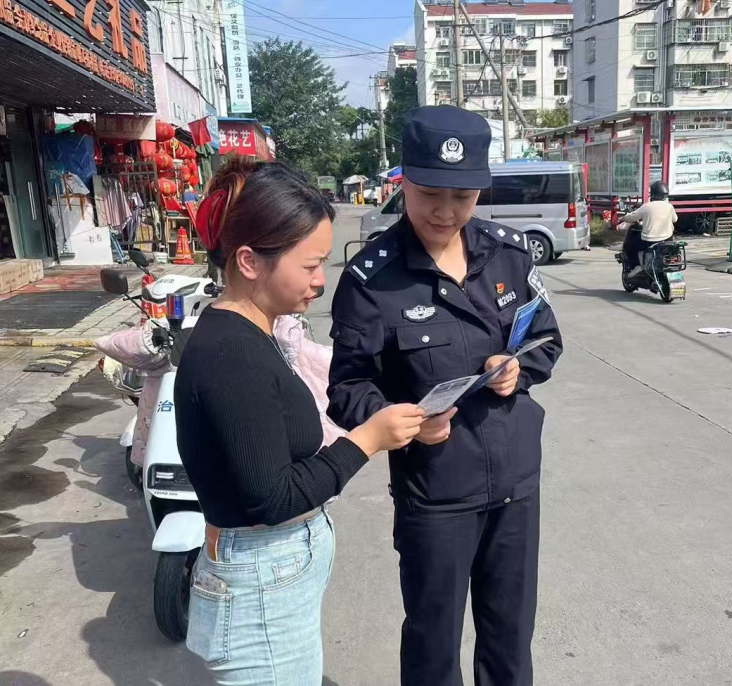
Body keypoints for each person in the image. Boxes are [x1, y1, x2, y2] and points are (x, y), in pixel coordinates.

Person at [328, 106, 563, 686]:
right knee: (433, 643)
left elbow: (546, 337)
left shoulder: (508, 253)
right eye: (430, 192)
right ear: (403, 181)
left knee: (510, 636)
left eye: (463, 197)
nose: (446, 211)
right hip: (434, 494)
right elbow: (346, 384)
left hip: (515, 483)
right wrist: (393, 418)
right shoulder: (371, 279)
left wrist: (517, 369)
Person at [173, 157, 426, 685]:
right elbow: (274, 497)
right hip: (260, 584)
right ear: (249, 261)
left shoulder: (251, 333)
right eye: (310, 265)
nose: (319, 281)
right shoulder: (230, 353)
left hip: (270, 575)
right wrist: (367, 440)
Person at [620, 180, 678, 277]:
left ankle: (637, 266)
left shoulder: (647, 206)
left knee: (631, 246)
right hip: (667, 239)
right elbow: (675, 219)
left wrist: (623, 218)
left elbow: (632, 217)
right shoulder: (669, 207)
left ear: (653, 193)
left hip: (650, 241)